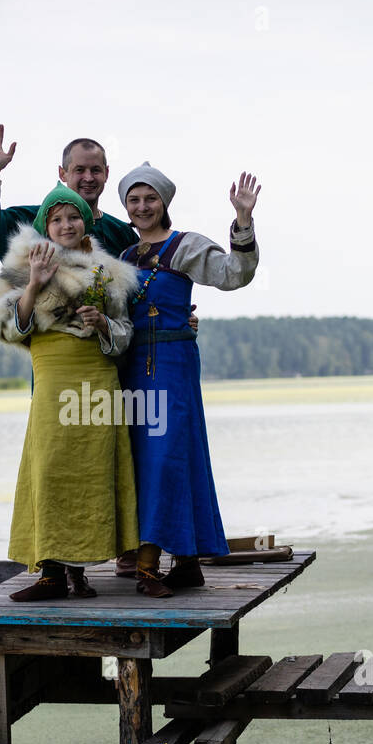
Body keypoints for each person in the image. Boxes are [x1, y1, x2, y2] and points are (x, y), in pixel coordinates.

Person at [0, 182, 141, 601]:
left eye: (73, 217)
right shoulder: (23, 261)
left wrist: (104, 323)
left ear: (85, 222)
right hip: (53, 378)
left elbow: (126, 334)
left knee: (90, 473)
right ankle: (50, 572)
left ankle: (79, 572)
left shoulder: (110, 271)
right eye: (57, 219)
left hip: (97, 378)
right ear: (46, 226)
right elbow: (3, 326)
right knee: (50, 469)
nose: (66, 224)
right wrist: (34, 284)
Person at [115, 162, 261, 598]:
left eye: (150, 198)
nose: (143, 207)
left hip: (173, 364)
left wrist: (243, 220)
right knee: (146, 459)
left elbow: (236, 273)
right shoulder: (123, 258)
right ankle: (188, 563)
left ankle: (149, 566)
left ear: (164, 202)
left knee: (168, 456)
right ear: (126, 207)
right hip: (132, 367)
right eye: (134, 200)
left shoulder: (185, 246)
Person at [0, 122, 138, 260]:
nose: (88, 178)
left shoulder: (121, 233)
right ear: (62, 173)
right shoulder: (30, 219)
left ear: (106, 173)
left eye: (95, 170)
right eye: (79, 170)